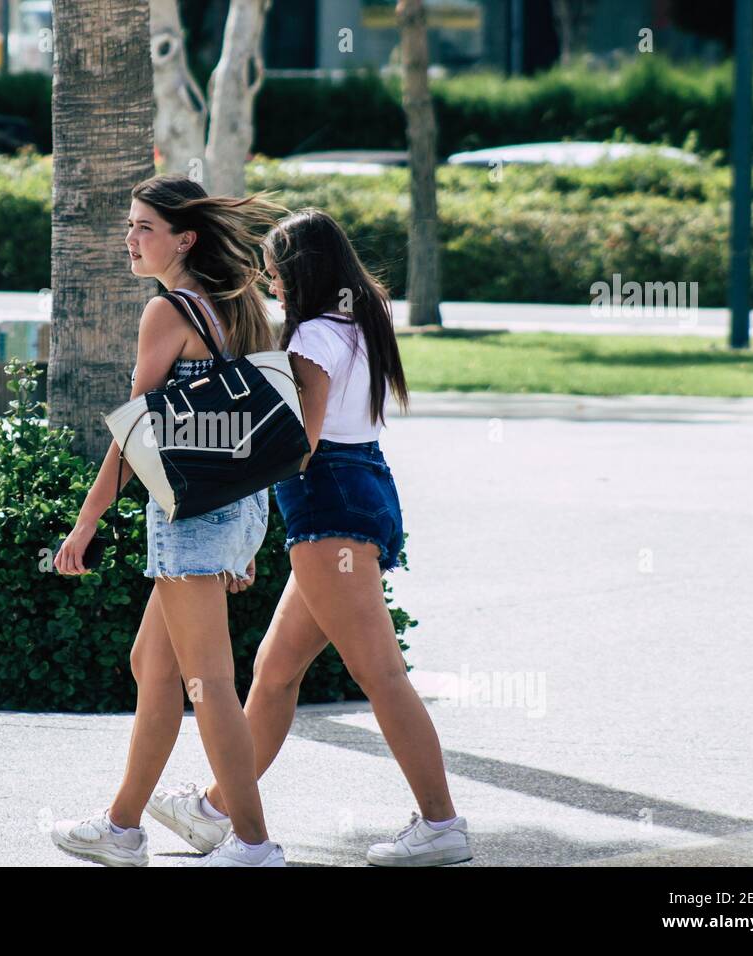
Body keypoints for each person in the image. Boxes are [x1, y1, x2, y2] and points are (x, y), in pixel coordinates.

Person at [146, 208, 472, 867]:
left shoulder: (315, 339)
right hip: (360, 489)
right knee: (274, 672)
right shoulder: (361, 321)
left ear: (302, 272)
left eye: (276, 276)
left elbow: (302, 442)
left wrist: (224, 493)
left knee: (379, 672)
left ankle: (441, 824)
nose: (272, 287)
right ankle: (216, 811)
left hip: (327, 502)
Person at [50, 174, 289, 867]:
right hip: (240, 503)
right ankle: (123, 827)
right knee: (151, 668)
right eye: (129, 225)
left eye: (144, 228)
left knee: (207, 684)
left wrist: (86, 522)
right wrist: (241, 542)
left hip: (193, 515)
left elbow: (133, 435)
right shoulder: (235, 306)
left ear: (184, 239)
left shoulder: (168, 312)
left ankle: (252, 841)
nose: (130, 239)